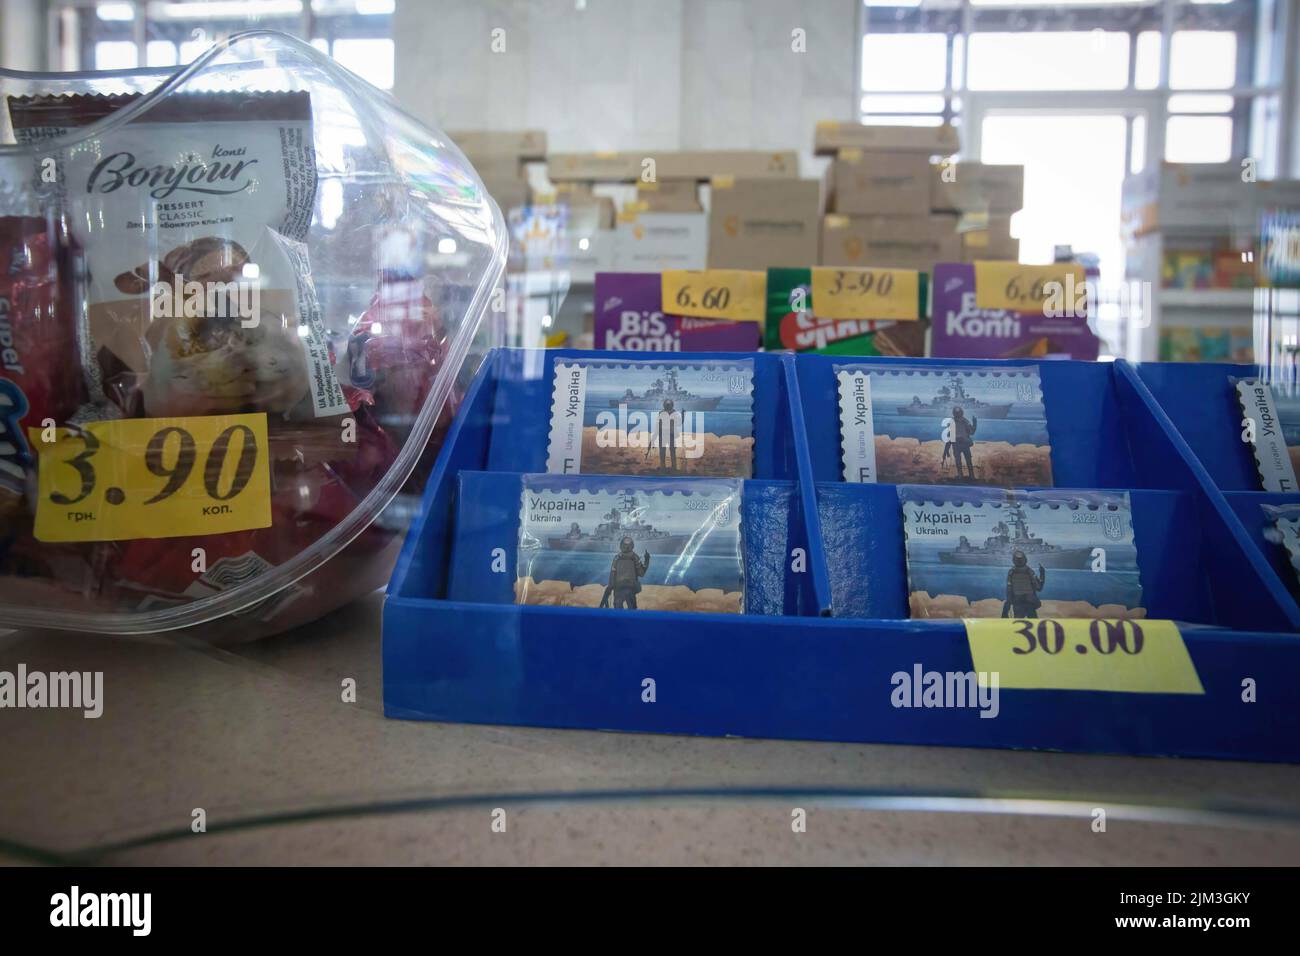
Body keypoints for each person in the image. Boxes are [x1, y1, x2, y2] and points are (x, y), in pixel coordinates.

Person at [600, 536, 651, 609]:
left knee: (617, 612)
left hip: (618, 589)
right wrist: (647, 560)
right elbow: (641, 573)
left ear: (621, 546)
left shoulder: (616, 558)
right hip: (631, 588)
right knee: (632, 612)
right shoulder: (635, 557)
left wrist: (610, 588)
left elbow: (612, 574)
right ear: (632, 546)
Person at [1002, 549, 1046, 618]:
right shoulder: (1030, 571)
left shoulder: (1011, 572)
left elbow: (1009, 590)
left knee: (1018, 625)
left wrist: (1007, 606)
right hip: (1030, 602)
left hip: (1017, 603)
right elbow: (1039, 587)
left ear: (1014, 560)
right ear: (1025, 559)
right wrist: (1042, 573)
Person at [650, 398, 683, 473]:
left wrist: (683, 415)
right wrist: (654, 437)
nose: (668, 406)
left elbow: (679, 423)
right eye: (667, 404)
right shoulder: (662, 413)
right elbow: (658, 425)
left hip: (670, 435)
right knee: (663, 452)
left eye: (669, 404)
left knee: (672, 452)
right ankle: (663, 468)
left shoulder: (674, 413)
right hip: (663, 435)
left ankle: (673, 468)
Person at [950, 405, 977, 480]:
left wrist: (975, 423)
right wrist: (975, 423)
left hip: (960, 444)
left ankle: (964, 476)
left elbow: (971, 432)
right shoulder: (965, 421)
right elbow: (972, 432)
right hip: (961, 444)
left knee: (962, 461)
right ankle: (969, 476)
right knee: (965, 461)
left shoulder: (956, 421)